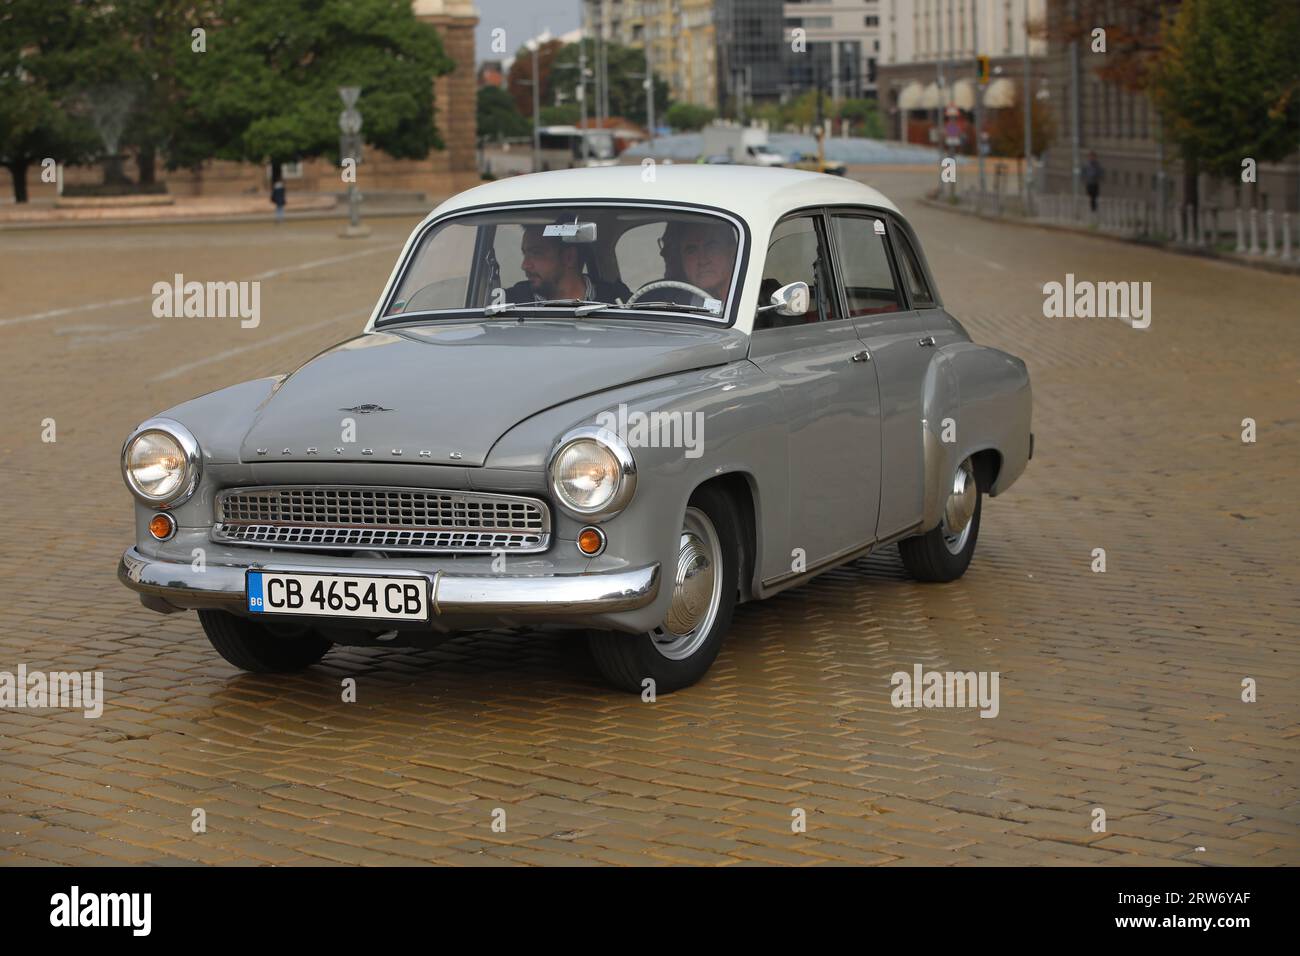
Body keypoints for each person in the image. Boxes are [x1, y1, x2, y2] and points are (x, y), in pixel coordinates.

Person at [503, 222, 630, 304]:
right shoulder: (510, 304)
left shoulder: (617, 301)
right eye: (525, 254)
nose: (525, 265)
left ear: (569, 257)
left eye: (536, 253)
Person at [655, 219, 738, 309]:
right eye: (691, 250)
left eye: (711, 247)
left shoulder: (750, 300)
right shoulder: (668, 304)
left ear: (732, 251)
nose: (702, 260)